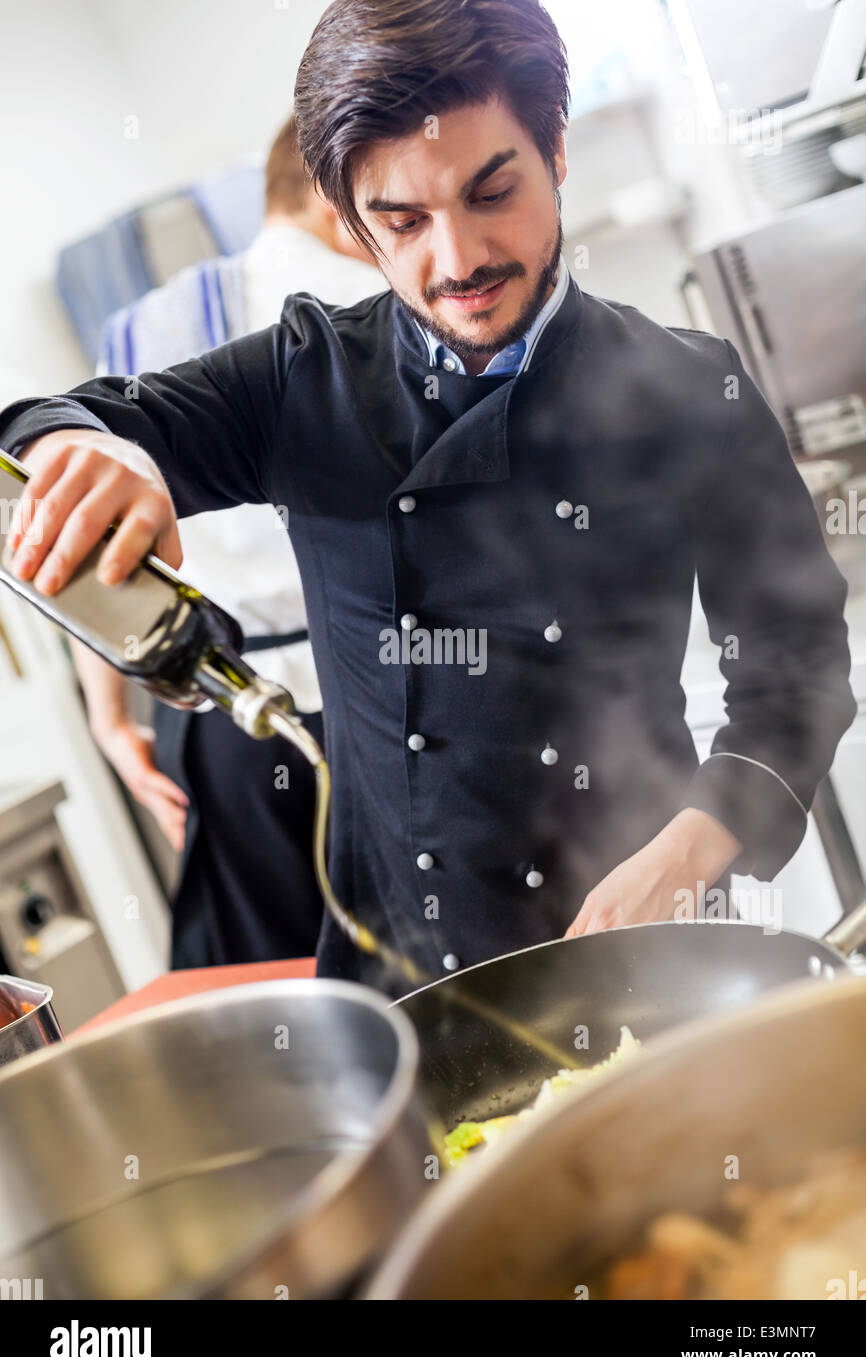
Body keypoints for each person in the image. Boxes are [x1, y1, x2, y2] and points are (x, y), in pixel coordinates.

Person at [0, 0, 856, 999]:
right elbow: (53, 415)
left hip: (635, 939)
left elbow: (794, 676)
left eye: (492, 192)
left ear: (555, 152)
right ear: (348, 219)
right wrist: (94, 448)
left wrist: (690, 849)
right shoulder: (302, 378)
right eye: (401, 222)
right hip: (396, 976)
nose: (458, 262)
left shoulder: (688, 387)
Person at [71, 115, 386, 969]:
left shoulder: (138, 328)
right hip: (390, 700)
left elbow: (97, 534)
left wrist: (111, 719)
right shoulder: (390, 310)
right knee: (446, 971)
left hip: (217, 710)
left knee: (274, 988)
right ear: (336, 192)